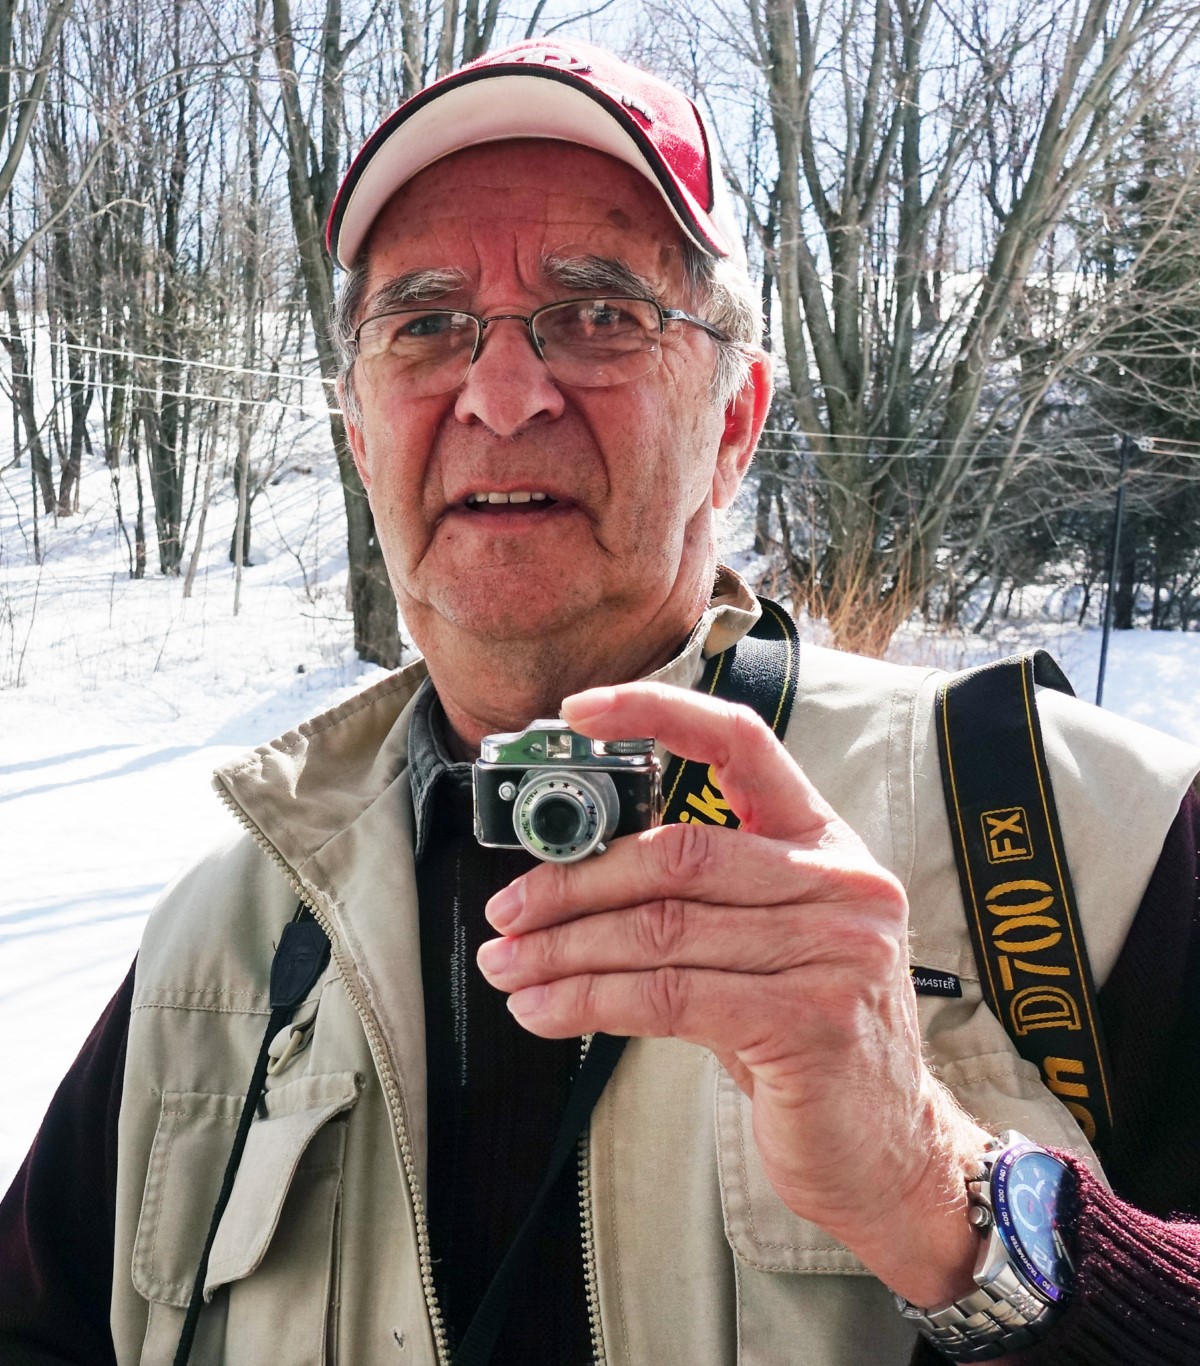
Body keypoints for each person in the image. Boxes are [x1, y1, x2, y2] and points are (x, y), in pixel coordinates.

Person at [2, 38, 1200, 1366]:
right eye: (425, 324)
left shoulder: (1076, 836)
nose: (503, 396)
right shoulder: (225, 942)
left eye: (598, 315)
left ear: (734, 421)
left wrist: (945, 1193)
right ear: (358, 431)